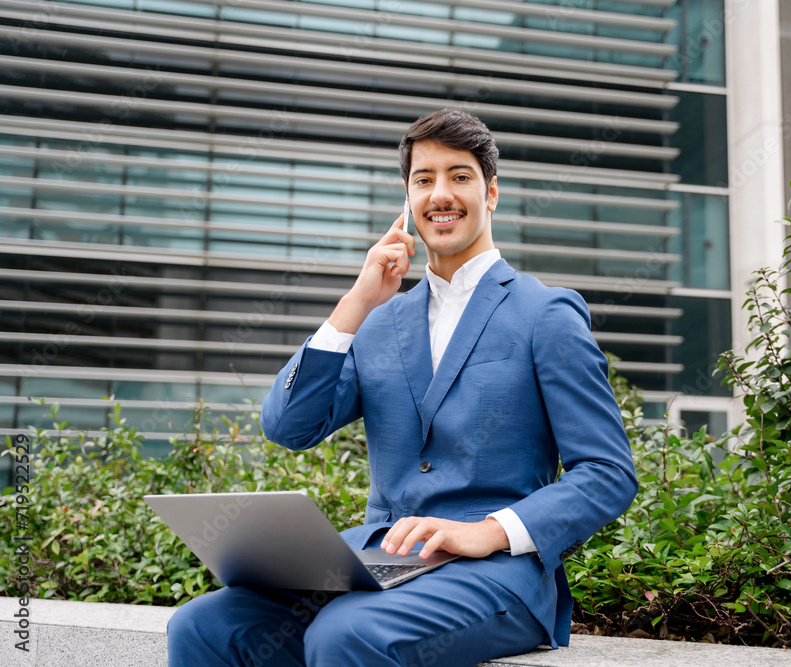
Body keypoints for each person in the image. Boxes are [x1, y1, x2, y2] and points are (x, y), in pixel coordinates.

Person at [166, 109, 638, 666]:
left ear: (491, 194)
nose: (441, 193)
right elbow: (288, 426)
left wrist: (487, 532)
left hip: (494, 575)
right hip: (379, 562)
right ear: (408, 199)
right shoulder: (380, 321)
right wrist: (357, 302)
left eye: (459, 176)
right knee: (204, 624)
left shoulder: (545, 313)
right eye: (424, 179)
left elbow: (607, 473)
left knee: (345, 634)